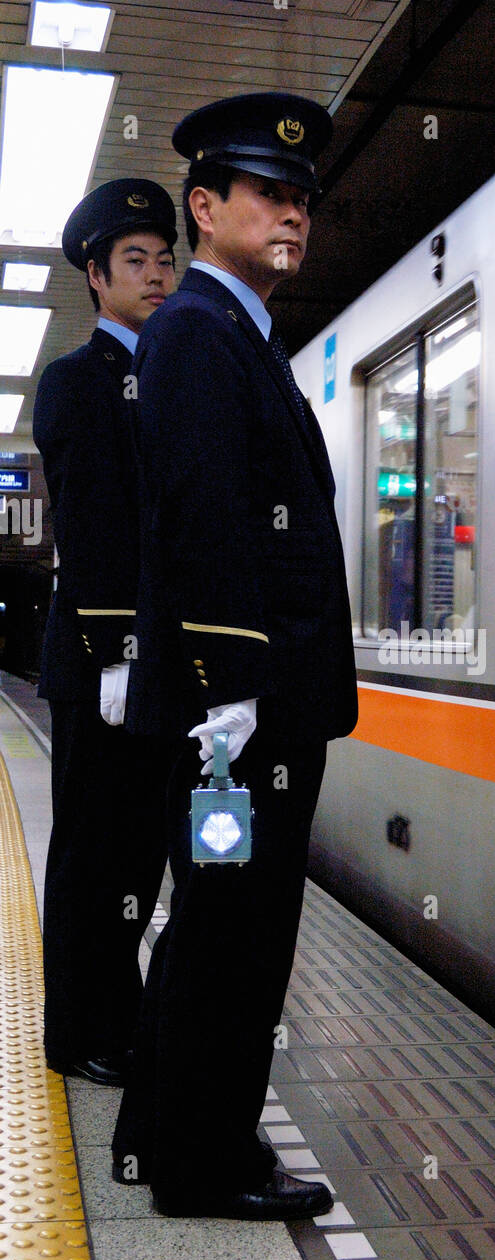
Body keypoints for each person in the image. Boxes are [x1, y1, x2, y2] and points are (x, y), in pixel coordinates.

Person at [112, 93, 358, 1220]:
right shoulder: (198, 335)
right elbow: (202, 516)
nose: (292, 214)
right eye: (267, 192)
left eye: (302, 197)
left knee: (228, 932)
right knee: (231, 938)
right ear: (204, 207)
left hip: (250, 709)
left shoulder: (228, 336)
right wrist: (235, 692)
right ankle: (202, 1166)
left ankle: (184, 1137)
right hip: (241, 716)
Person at [34, 180, 178, 1085]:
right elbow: (94, 532)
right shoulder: (76, 383)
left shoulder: (169, 374)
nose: (157, 274)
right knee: (94, 854)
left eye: (167, 258)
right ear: (96, 276)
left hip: (151, 669)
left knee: (136, 853)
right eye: (136, 261)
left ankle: (114, 1016)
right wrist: (121, 653)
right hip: (100, 668)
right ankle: (77, 1033)